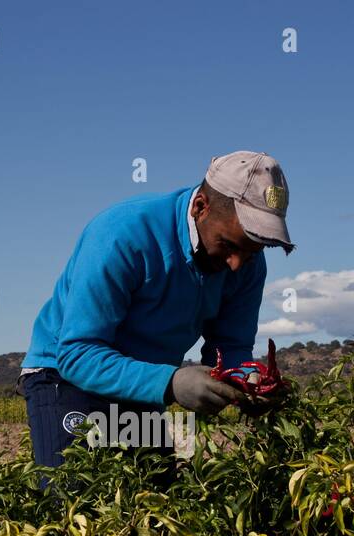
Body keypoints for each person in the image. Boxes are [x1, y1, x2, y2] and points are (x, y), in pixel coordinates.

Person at [17, 151, 295, 472]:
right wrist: (171, 383)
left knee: (156, 504)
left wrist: (249, 380)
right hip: (66, 377)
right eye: (229, 245)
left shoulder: (245, 261)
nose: (237, 263)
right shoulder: (122, 234)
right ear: (200, 207)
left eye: (253, 249)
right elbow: (78, 353)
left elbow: (230, 346)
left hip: (143, 384)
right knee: (75, 501)